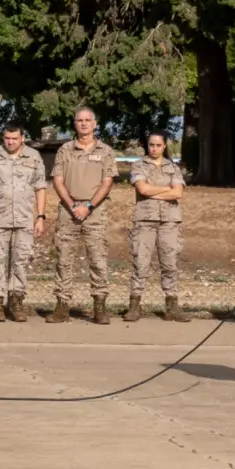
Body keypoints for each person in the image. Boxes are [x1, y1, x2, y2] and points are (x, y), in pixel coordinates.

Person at [49, 106, 117, 324]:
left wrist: (88, 206)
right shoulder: (65, 150)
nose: (84, 124)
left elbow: (107, 182)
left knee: (97, 259)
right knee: (64, 258)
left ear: (95, 123)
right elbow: (57, 180)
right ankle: (62, 305)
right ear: (75, 123)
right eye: (80, 120)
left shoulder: (105, 151)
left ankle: (99, 306)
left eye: (88, 120)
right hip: (68, 211)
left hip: (95, 211)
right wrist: (71, 205)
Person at [0, 122, 47, 322]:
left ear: (22, 138)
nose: (10, 142)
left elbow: (40, 187)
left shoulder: (33, 157)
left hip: (24, 219)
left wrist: (40, 217)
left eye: (15, 138)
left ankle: (16, 302)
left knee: (21, 261)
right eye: (7, 138)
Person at [126, 133, 190, 322]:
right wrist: (166, 190)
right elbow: (142, 189)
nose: (154, 148)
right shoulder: (138, 165)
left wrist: (154, 191)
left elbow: (178, 193)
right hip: (145, 220)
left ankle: (171, 306)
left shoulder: (173, 167)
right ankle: (134, 305)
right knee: (141, 264)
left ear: (164, 146)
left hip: (169, 222)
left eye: (158, 145)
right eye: (151, 145)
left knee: (170, 264)